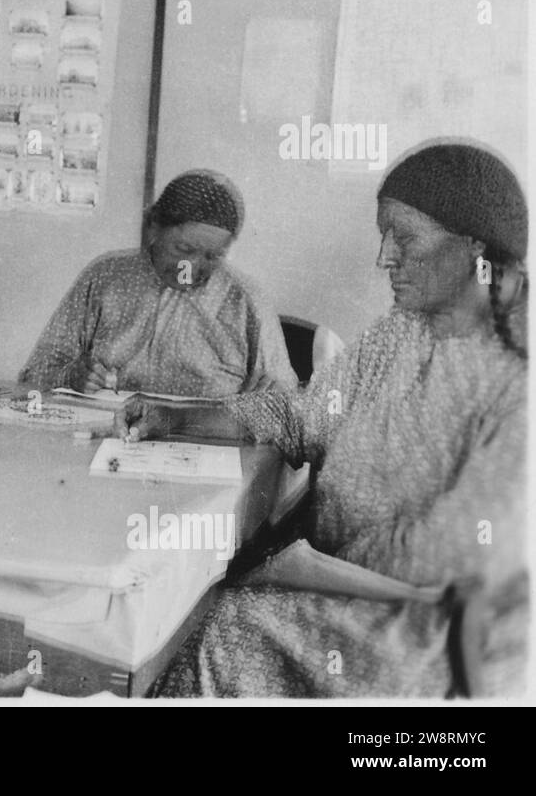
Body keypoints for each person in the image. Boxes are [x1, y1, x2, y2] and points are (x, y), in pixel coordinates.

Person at [117, 140, 527, 697]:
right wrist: (179, 419)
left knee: (210, 631)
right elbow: (299, 414)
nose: (384, 256)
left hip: (431, 628)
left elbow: (458, 551)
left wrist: (307, 567)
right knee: (184, 613)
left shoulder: (515, 367)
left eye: (403, 237)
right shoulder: (403, 331)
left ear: (474, 247)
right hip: (341, 585)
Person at [19, 169, 296, 397]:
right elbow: (35, 372)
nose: (192, 268)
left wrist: (266, 404)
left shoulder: (246, 302)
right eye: (184, 249)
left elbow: (286, 405)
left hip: (205, 452)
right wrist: (70, 376)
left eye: (213, 256)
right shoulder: (105, 278)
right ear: (153, 225)